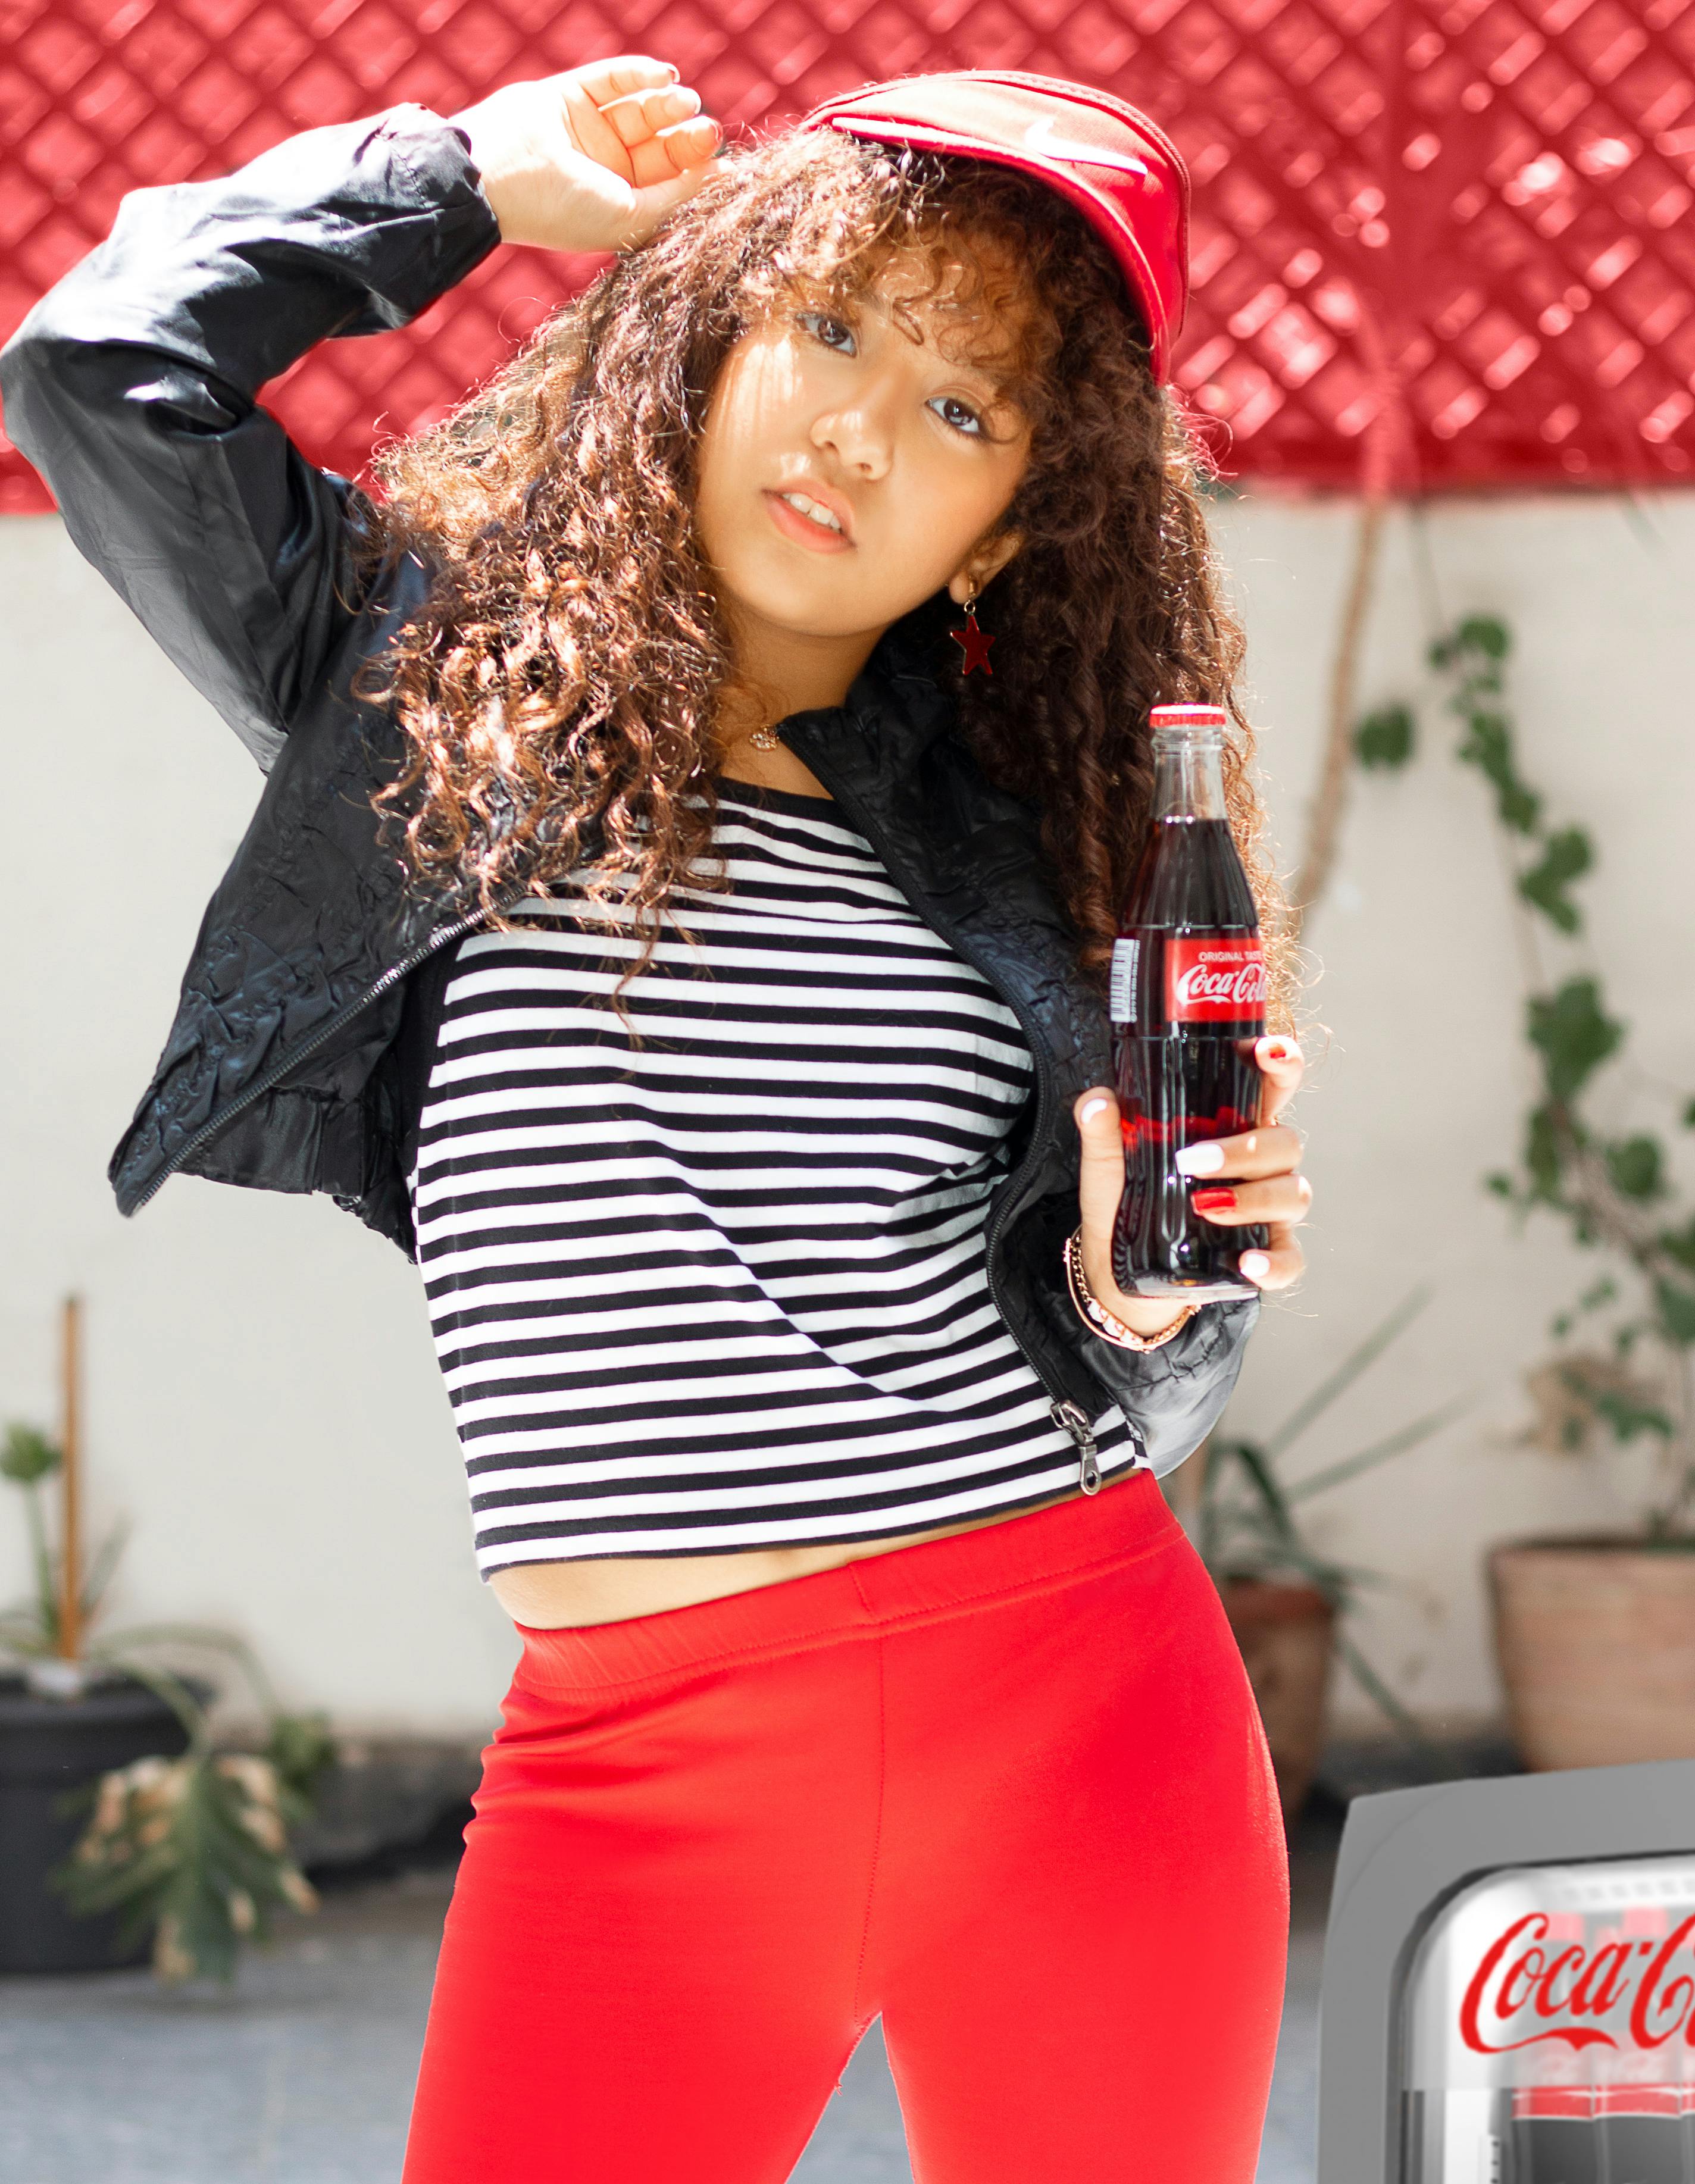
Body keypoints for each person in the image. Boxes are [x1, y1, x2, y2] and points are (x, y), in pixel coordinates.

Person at [1, 57, 1312, 2182]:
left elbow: (1138, 1314)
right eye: (829, 327)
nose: (862, 432)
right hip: (636, 1775)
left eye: (964, 414)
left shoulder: (1036, 846)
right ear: (711, 324)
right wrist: (463, 183)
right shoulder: (422, 684)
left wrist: (1155, 1284)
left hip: (1075, 1702)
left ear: (1009, 531)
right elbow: (93, 373)